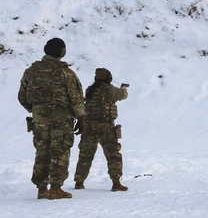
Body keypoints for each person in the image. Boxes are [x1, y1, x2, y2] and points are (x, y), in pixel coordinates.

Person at [18, 38, 86, 200]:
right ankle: (55, 188)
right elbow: (76, 98)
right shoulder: (66, 73)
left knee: (42, 150)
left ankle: (41, 188)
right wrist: (82, 118)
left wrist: (36, 110)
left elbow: (22, 97)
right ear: (62, 53)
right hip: (61, 120)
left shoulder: (31, 71)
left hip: (40, 121)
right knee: (60, 151)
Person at [73, 68, 130, 192]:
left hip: (89, 127)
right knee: (113, 155)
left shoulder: (90, 90)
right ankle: (116, 183)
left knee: (85, 155)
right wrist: (124, 89)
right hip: (105, 127)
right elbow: (123, 95)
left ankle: (79, 182)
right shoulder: (110, 89)